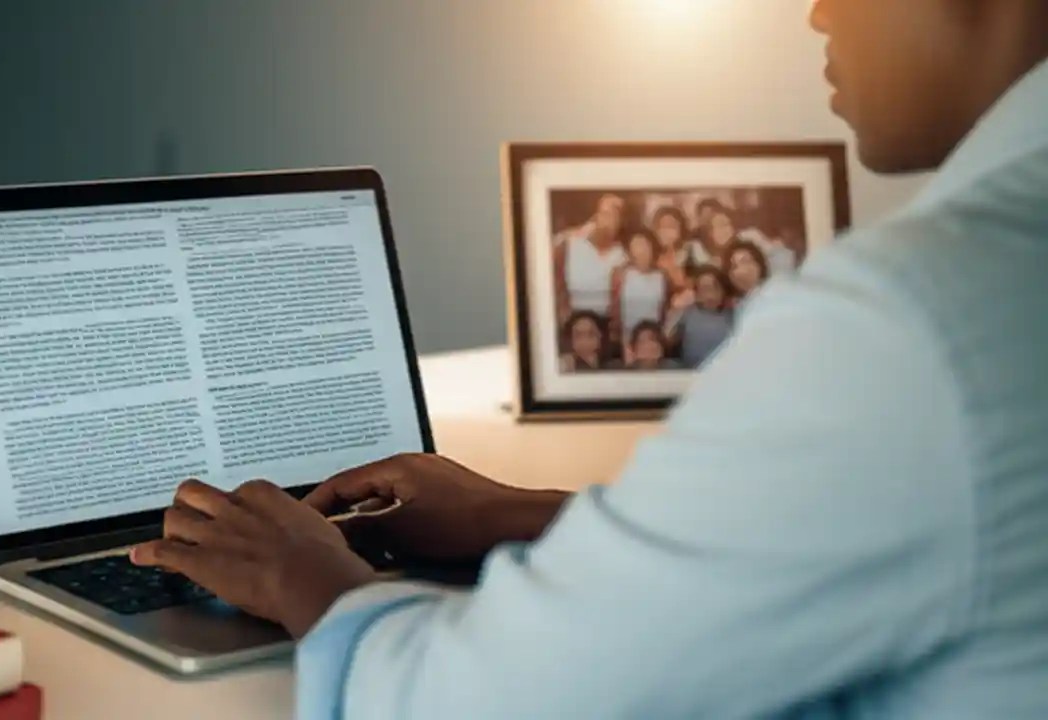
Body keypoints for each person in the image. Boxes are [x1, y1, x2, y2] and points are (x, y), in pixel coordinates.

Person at [133, 1, 1048, 716]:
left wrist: (309, 575)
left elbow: (469, 702)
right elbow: (856, 522)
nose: (818, 13)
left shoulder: (907, 320)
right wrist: (516, 513)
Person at [552, 194, 626, 322]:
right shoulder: (569, 245)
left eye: (616, 216)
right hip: (573, 320)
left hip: (605, 323)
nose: (610, 221)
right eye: (606, 214)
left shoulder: (622, 255)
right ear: (596, 216)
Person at [665, 265, 734, 368]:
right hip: (691, 371)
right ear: (696, 293)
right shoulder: (687, 313)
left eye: (714, 288)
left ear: (723, 290)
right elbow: (667, 339)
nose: (709, 295)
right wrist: (676, 310)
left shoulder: (734, 314)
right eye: (704, 289)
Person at [610, 228, 668, 344]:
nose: (641, 250)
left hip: (653, 338)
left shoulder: (662, 276)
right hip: (627, 338)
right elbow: (614, 307)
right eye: (636, 245)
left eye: (645, 245)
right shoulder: (621, 274)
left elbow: (664, 310)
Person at [651, 206, 692, 293]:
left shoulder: (689, 253)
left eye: (671, 226)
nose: (666, 231)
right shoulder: (652, 257)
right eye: (662, 227)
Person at [723, 240, 771, 306]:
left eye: (745, 261)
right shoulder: (737, 305)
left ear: (759, 264)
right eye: (734, 266)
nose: (741, 269)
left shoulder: (774, 290)